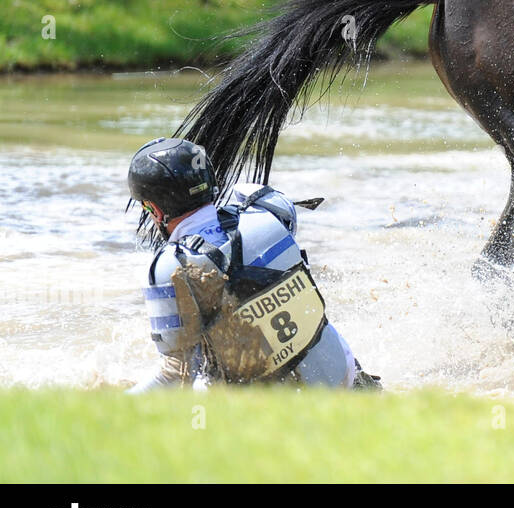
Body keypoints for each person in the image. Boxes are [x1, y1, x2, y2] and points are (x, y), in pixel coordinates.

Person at [127, 137, 378, 392]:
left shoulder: (172, 265)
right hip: (345, 375)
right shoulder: (268, 209)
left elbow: (177, 374)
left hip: (287, 408)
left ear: (155, 211)